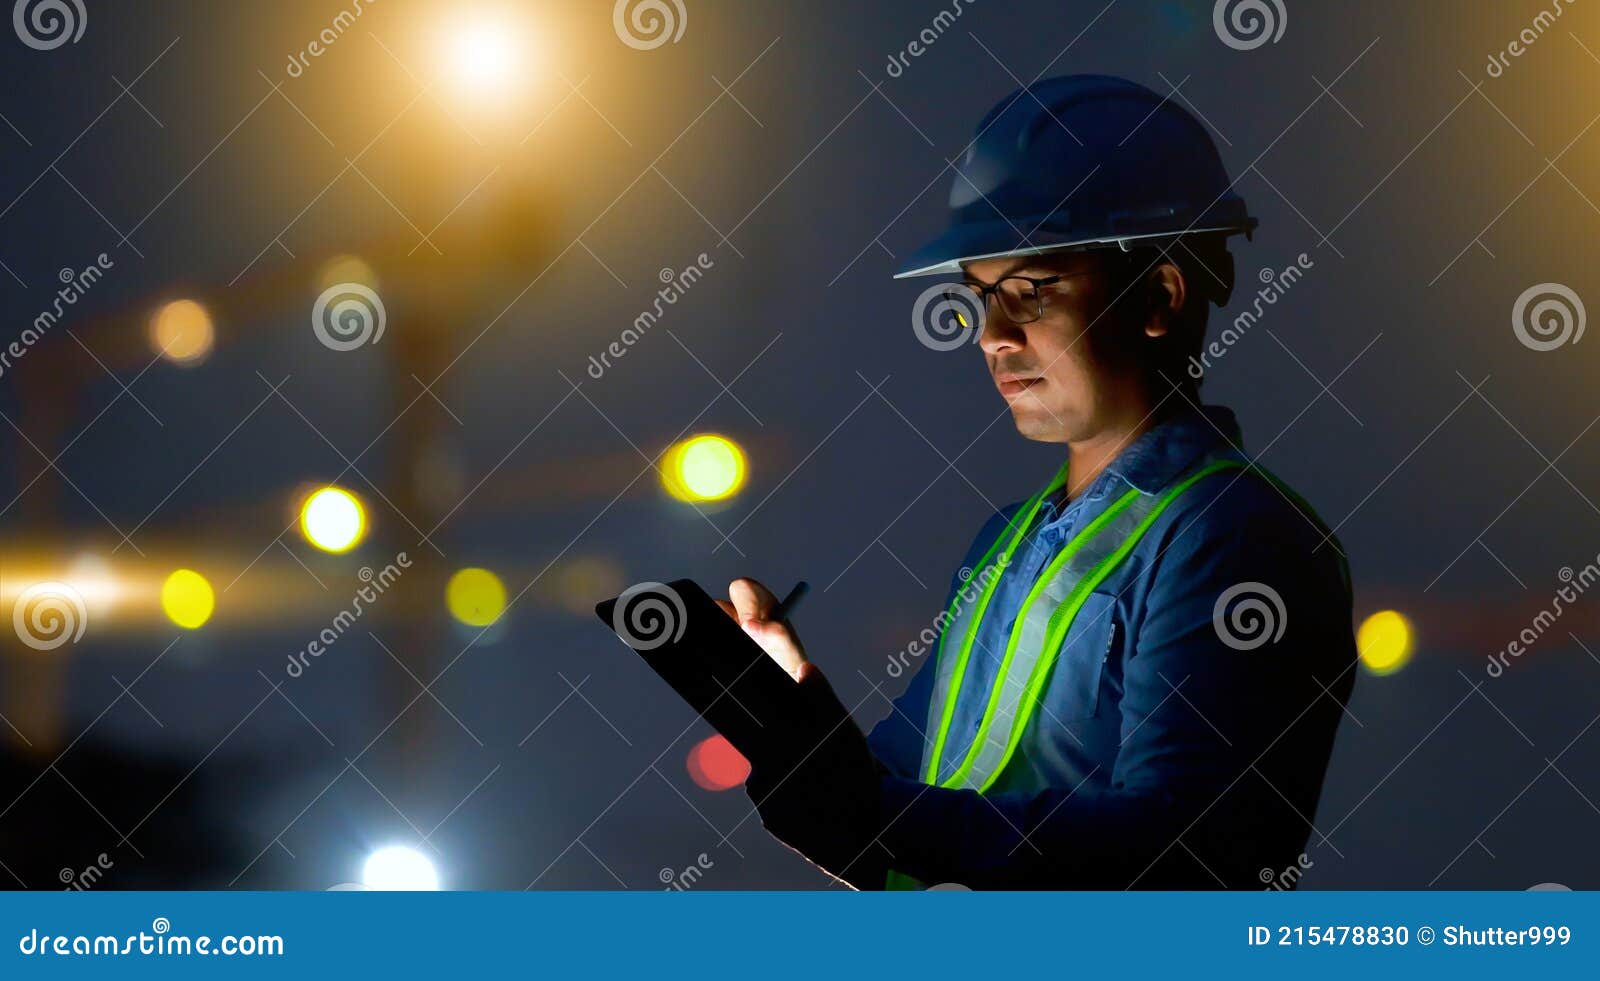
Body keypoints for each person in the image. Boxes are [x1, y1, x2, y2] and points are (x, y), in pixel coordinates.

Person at [717, 75, 1356, 890]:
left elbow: (1183, 851)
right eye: (980, 297)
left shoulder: (1238, 537)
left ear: (1159, 295)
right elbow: (888, 817)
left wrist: (877, 814)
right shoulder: (1009, 544)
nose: (992, 335)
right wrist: (794, 722)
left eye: (1032, 290)